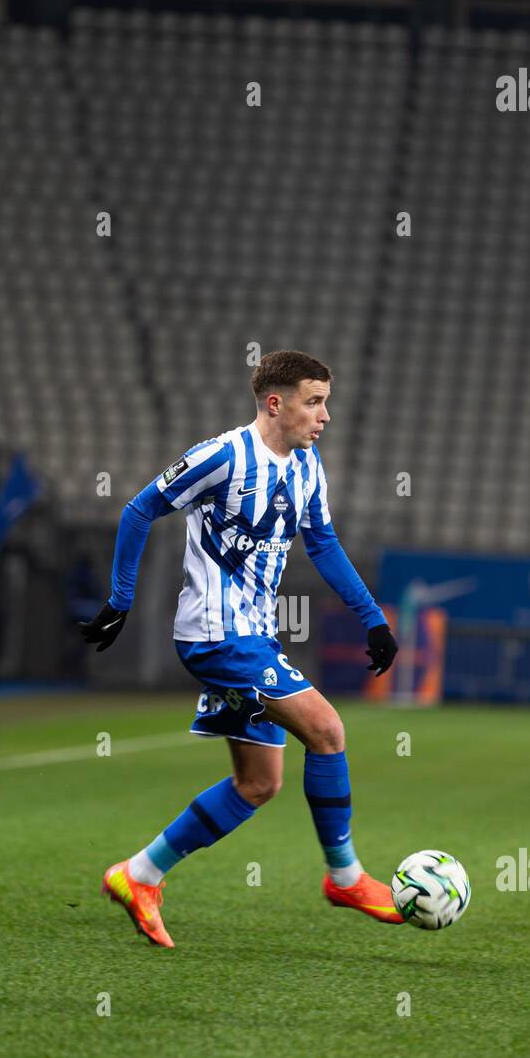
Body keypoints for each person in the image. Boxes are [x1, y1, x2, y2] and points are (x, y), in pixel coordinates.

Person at [80, 350, 403, 948]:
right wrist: (121, 600)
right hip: (215, 635)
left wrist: (372, 619)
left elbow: (325, 546)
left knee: (258, 784)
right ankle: (346, 877)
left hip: (253, 636)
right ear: (275, 403)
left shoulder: (308, 467)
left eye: (326, 401)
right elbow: (139, 509)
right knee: (328, 731)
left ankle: (138, 875)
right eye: (314, 401)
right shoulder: (221, 456)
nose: (325, 415)